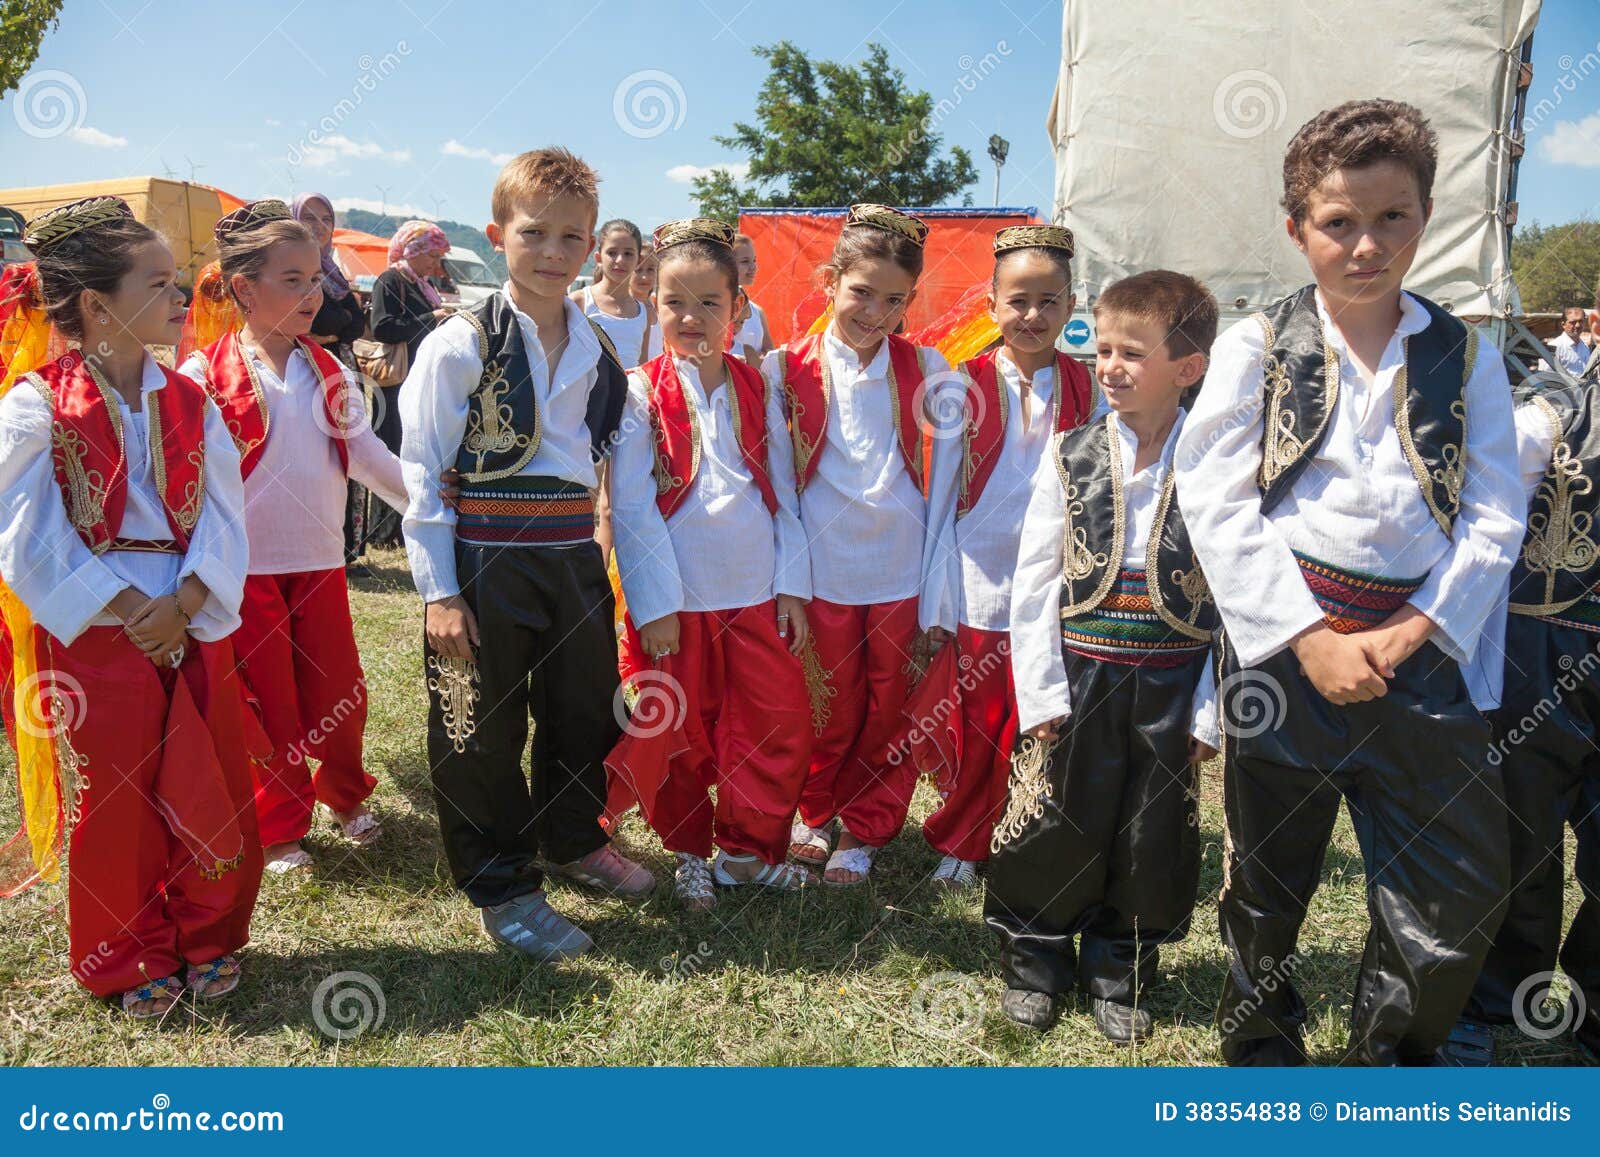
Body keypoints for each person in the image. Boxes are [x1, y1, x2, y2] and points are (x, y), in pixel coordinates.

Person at [1174, 100, 1525, 1066]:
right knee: (1268, 874)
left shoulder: (1467, 355)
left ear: (1424, 218)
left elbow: (1495, 511)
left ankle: (1393, 1062)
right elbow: (1213, 499)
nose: (1366, 245)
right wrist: (1309, 637)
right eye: (1339, 222)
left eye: (1393, 219)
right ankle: (1261, 1048)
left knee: (1453, 881)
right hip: (1286, 651)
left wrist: (1415, 627)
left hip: (1420, 650)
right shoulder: (1259, 342)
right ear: (1298, 228)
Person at [0, 196, 259, 1016]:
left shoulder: (191, 399)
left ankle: (208, 932)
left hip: (187, 612)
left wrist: (185, 597)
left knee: (210, 774)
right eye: (160, 281)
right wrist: (122, 603)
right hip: (95, 634)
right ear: (97, 304)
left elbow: (225, 512)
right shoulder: (34, 405)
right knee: (111, 800)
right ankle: (123, 949)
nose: (183, 296)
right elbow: (23, 528)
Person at [399, 148, 655, 962]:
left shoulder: (600, 352)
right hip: (485, 555)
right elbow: (422, 476)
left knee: (586, 704)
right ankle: (503, 885)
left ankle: (572, 836)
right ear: (496, 233)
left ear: (594, 247)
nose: (552, 252)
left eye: (570, 237)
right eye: (533, 232)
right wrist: (440, 591)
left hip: (571, 552)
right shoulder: (460, 344)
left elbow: (618, 468)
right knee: (477, 723)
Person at [986, 270, 1219, 1042]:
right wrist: (1041, 690)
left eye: (1131, 352)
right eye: (1102, 348)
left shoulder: (1221, 462)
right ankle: (1038, 960)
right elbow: (1033, 580)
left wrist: (1214, 706)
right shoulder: (1069, 454)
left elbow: (1239, 597)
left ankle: (1121, 966)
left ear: (1187, 367)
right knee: (1057, 821)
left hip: (1173, 678)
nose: (1108, 366)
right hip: (1079, 673)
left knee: (1150, 833)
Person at [182, 199, 410, 874]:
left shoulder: (329, 370)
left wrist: (430, 498)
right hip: (244, 571)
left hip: (318, 563)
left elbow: (366, 453)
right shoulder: (201, 378)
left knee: (339, 689)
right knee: (268, 702)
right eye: (293, 280)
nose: (312, 295)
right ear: (245, 289)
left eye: (316, 278)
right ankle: (279, 824)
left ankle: (344, 791)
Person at [605, 218, 814, 908]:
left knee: (774, 721)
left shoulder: (759, 388)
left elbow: (783, 491)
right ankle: (691, 850)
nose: (690, 318)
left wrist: (790, 586)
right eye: (674, 302)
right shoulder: (638, 391)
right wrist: (655, 605)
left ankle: (747, 853)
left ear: (739, 308)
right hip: (679, 602)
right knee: (682, 733)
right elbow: (632, 507)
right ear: (652, 298)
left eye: (708, 303)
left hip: (753, 591)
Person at [769, 203, 961, 886]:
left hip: (900, 570)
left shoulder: (931, 367)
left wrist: (941, 579)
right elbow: (776, 486)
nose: (875, 311)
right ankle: (815, 811)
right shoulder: (781, 370)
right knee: (826, 704)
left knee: (891, 707)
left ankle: (868, 826)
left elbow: (952, 482)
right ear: (829, 281)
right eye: (861, 292)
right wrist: (787, 577)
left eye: (893, 299)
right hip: (821, 570)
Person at [911, 225, 1095, 890]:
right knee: (982, 719)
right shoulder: (962, 385)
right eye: (1017, 300)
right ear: (990, 304)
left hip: (1057, 584)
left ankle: (1029, 829)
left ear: (1071, 307)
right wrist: (937, 593)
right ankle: (963, 839)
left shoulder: (1090, 390)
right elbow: (939, 501)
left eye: (1049, 301)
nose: (1032, 316)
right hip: (981, 581)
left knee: (1043, 715)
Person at [1454, 374, 1600, 1064]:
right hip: (1544, 651)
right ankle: (1500, 992)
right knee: (1522, 833)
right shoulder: (1556, 404)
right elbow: (1488, 486)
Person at [291, 193, 374, 572]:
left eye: (326, 218)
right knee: (319, 455)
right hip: (310, 370)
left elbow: (355, 325)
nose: (319, 225)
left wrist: (338, 326)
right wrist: (338, 325)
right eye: (309, 217)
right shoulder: (293, 273)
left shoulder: (335, 274)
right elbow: (332, 324)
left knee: (349, 450)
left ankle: (346, 546)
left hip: (343, 370)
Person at [370, 220, 452, 545]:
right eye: (432, 255)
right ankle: (383, 531)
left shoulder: (420, 283)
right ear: (414, 251)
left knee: (413, 451)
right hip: (395, 383)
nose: (436, 263)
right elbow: (383, 328)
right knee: (391, 451)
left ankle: (402, 525)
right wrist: (431, 318)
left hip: (416, 380)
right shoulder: (391, 280)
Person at [574, 218, 652, 367]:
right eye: (612, 253)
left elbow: (643, 367)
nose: (620, 260)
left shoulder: (642, 312)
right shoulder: (579, 301)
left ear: (638, 260)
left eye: (628, 254)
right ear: (598, 258)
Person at [731, 233, 774, 366]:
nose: (753, 267)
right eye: (745, 261)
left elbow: (770, 351)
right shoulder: (716, 309)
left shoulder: (757, 312)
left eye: (754, 260)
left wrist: (761, 359)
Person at [1538, 305, 1595, 379]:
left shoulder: (1585, 347)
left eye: (1580, 321)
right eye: (1573, 322)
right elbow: (1544, 376)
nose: (1578, 325)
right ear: (1563, 324)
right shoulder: (1554, 346)